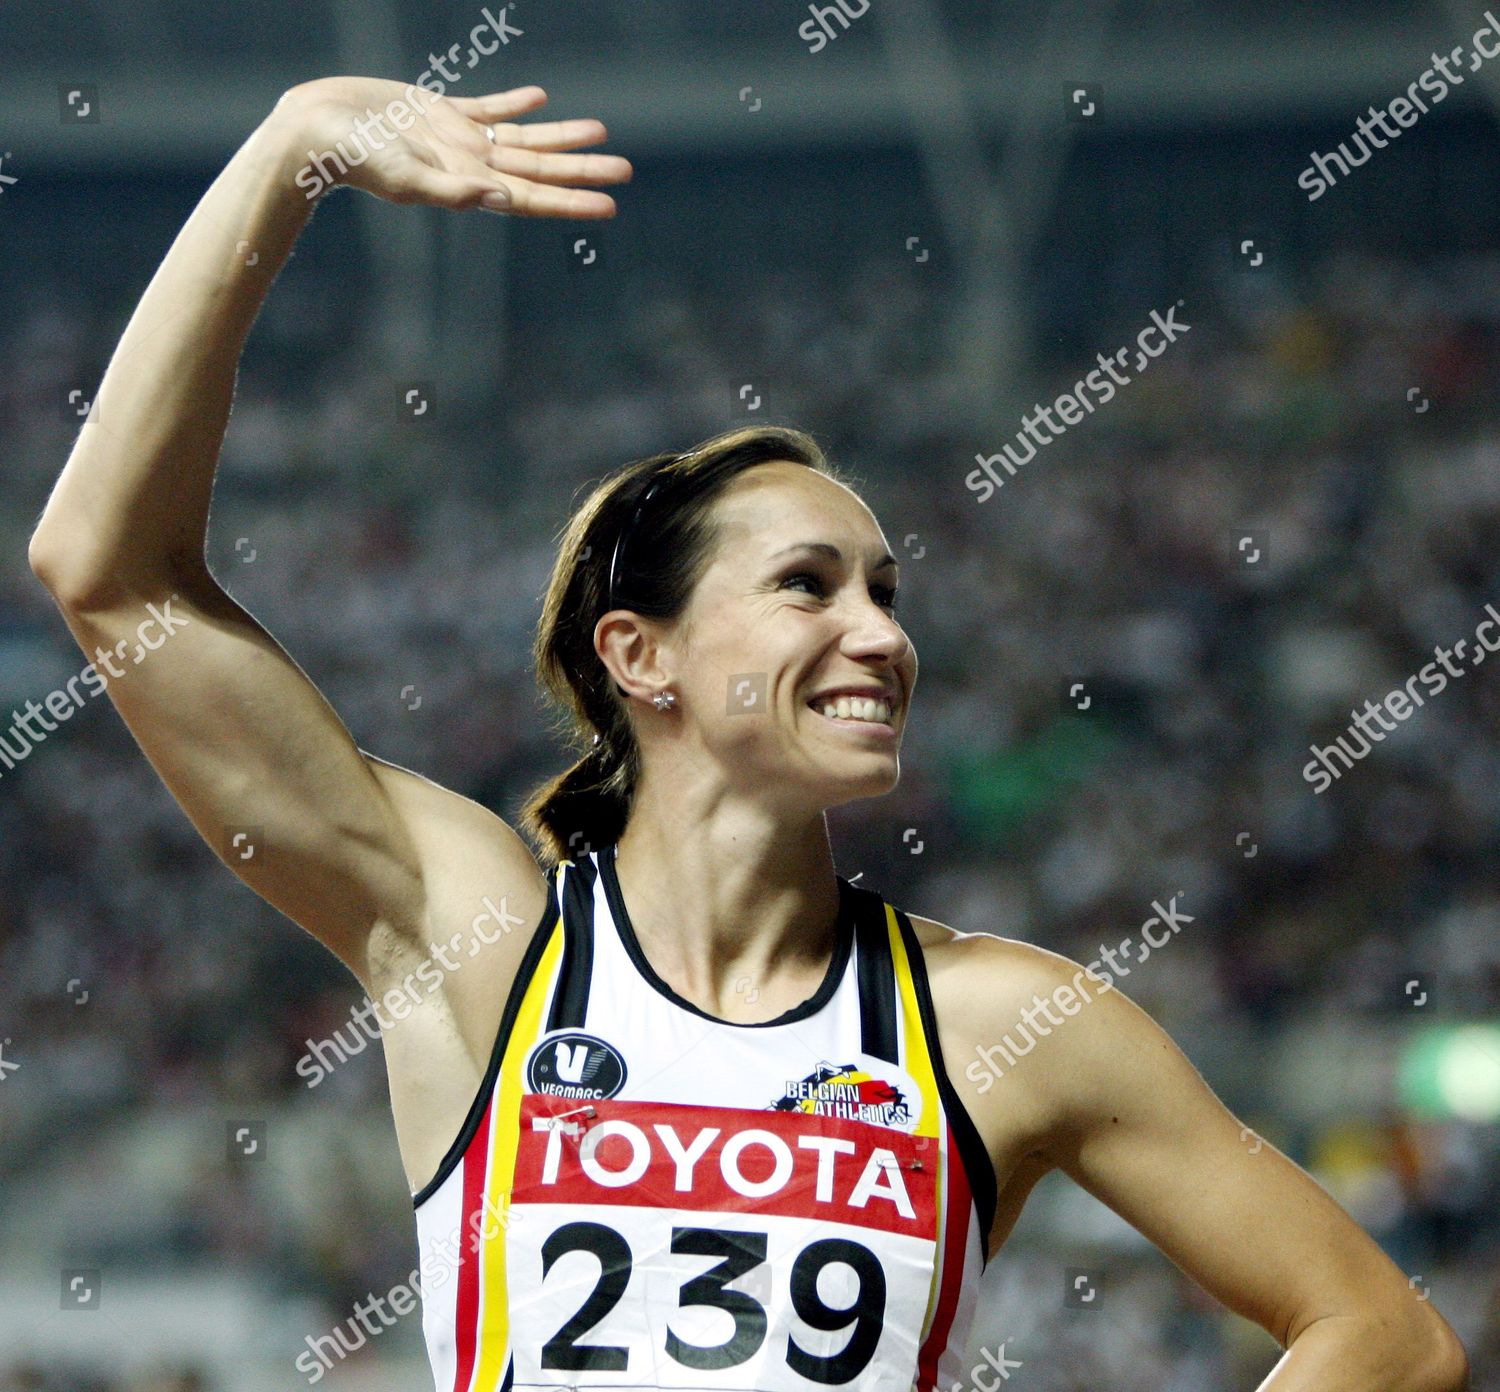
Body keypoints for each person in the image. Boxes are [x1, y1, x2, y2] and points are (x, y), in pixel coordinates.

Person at [27, 76, 1469, 1392]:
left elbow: (1385, 1333)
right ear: (637, 654)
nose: (884, 636)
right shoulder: (477, 940)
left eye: (888, 594)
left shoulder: (1003, 1026)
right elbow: (108, 572)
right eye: (808, 586)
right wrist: (291, 150)